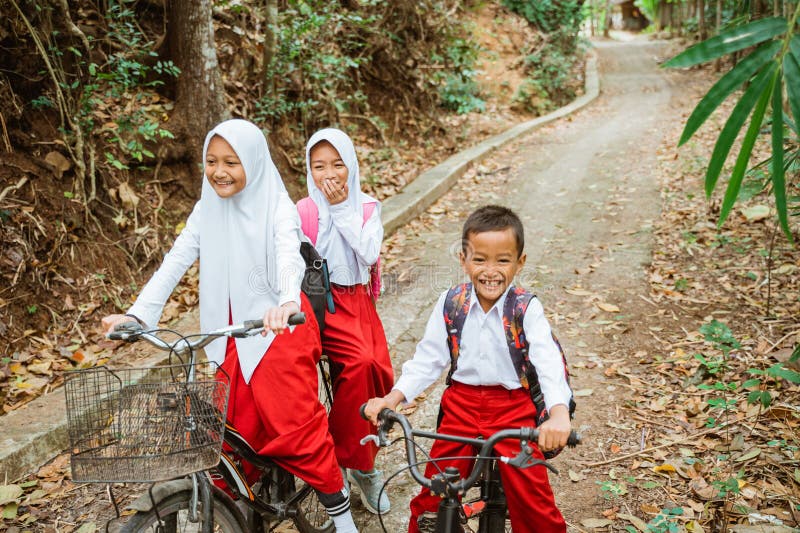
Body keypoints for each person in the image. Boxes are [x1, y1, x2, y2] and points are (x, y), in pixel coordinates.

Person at [101, 119, 358, 532]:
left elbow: (289, 253)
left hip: (280, 327)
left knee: (297, 430)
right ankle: (240, 509)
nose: (219, 171)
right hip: (230, 335)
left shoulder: (277, 206)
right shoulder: (206, 209)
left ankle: (344, 521)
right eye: (212, 161)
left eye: (232, 162)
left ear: (253, 164)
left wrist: (287, 300)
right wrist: (138, 315)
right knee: (227, 431)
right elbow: (175, 261)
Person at [364, 205, 573, 533]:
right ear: (463, 260)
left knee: (534, 502)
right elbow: (428, 359)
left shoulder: (525, 308)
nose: (491, 270)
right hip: (461, 406)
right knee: (432, 498)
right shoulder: (450, 303)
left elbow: (547, 364)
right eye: (479, 259)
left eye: (503, 260)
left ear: (520, 262)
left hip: (514, 407)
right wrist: (394, 397)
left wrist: (559, 414)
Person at [298, 127, 394, 515]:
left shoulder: (368, 207)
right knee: (359, 365)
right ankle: (353, 462)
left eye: (338, 164)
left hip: (358, 301)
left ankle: (355, 456)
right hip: (321, 305)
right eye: (319, 166)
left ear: (351, 166)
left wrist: (341, 209)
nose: (329, 174)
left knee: (381, 372)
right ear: (309, 170)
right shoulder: (302, 210)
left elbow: (369, 254)